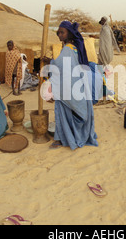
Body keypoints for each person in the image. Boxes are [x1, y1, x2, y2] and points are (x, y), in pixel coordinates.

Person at [42, 21, 99, 150]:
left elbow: (60, 66)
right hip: (75, 83)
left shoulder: (68, 48)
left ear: (69, 33)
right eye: (58, 32)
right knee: (69, 111)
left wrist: (49, 62)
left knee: (62, 111)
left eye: (62, 32)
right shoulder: (73, 47)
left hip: (68, 86)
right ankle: (67, 136)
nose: (59, 35)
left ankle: (61, 138)